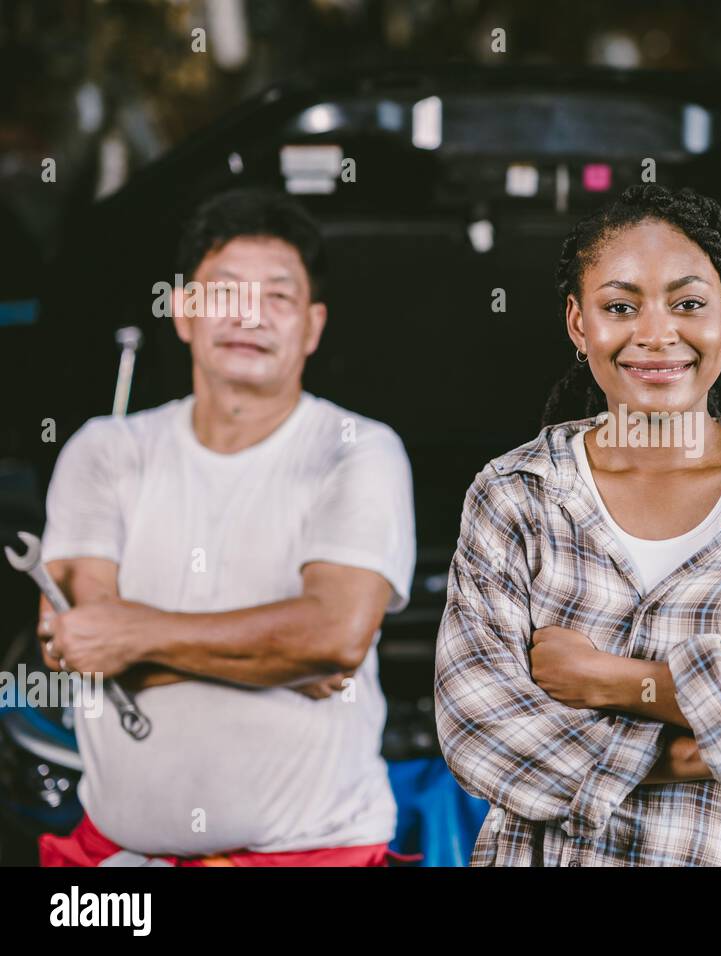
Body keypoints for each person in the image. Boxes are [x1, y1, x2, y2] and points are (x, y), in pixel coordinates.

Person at [434, 184, 721, 866]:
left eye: (688, 303)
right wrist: (700, 752)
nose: (655, 333)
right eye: (620, 306)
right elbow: (480, 728)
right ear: (580, 325)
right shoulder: (515, 495)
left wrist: (609, 680)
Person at [36, 188, 416, 866]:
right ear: (183, 311)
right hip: (117, 860)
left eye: (278, 296)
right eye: (225, 291)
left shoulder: (358, 448)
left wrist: (133, 637)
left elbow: (333, 636)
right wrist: (280, 659)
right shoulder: (104, 450)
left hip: (315, 854)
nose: (249, 315)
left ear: (312, 327)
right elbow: (78, 642)